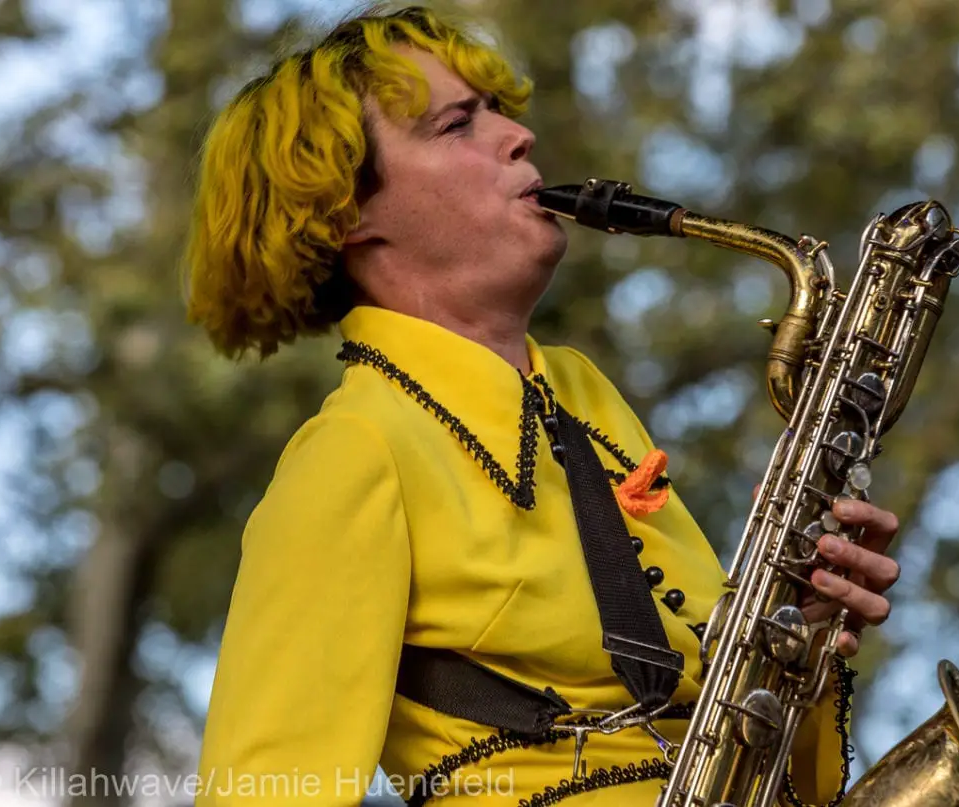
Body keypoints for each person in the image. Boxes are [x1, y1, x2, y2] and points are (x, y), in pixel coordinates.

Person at [181, 5, 902, 807]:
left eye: (498, 110)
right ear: (345, 212)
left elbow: (738, 737)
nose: (515, 136)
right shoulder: (354, 450)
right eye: (457, 125)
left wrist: (796, 632)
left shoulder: (583, 394)